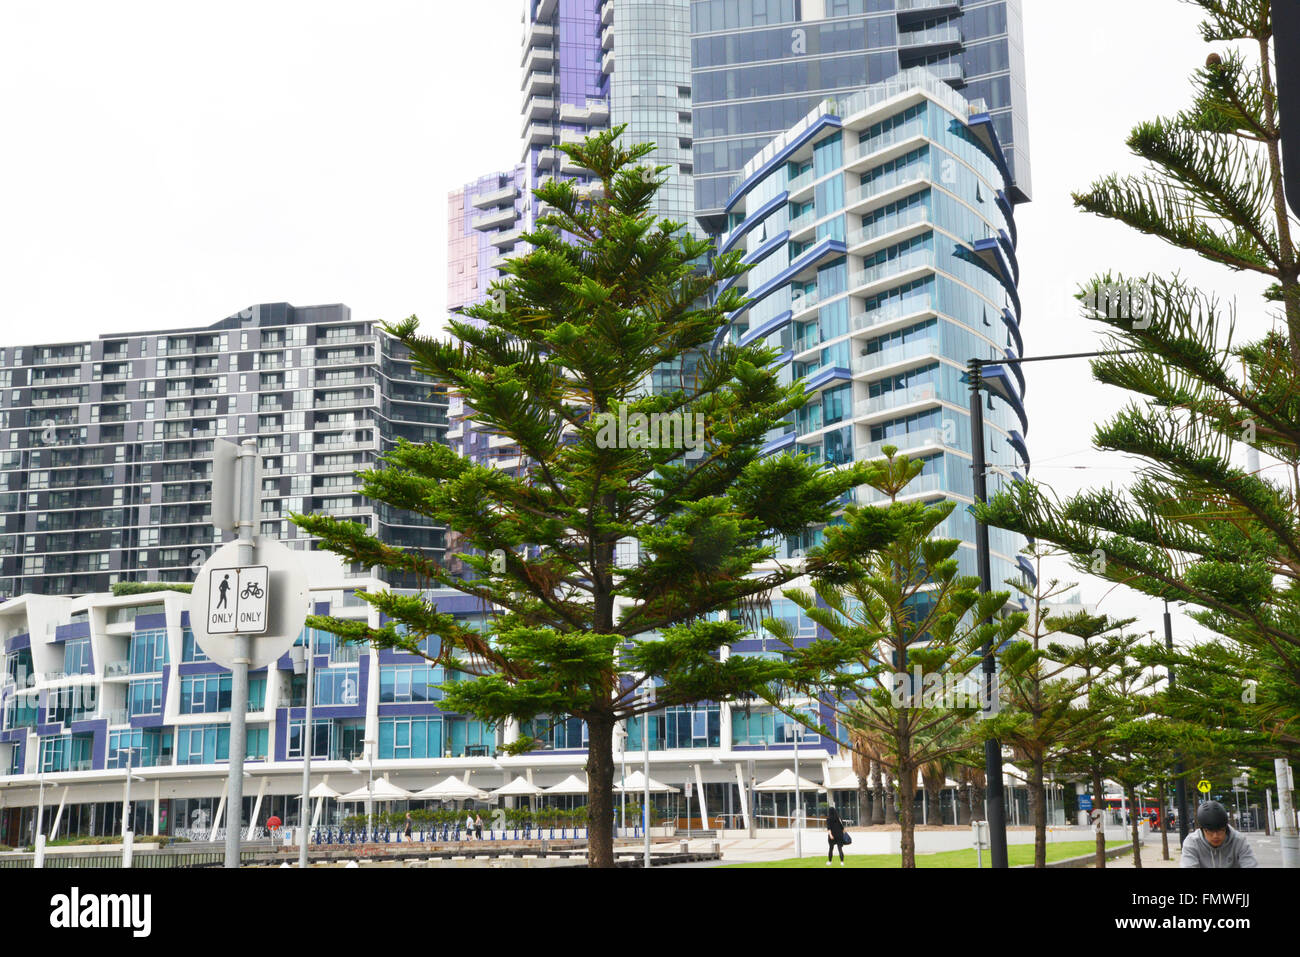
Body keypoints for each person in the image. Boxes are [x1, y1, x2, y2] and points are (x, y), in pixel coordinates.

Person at [1180, 800, 1259, 868]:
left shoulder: (1239, 840)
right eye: (1210, 831)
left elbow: (1250, 865)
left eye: (1220, 830)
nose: (1216, 836)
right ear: (1202, 829)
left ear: (1226, 828)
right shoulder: (1192, 842)